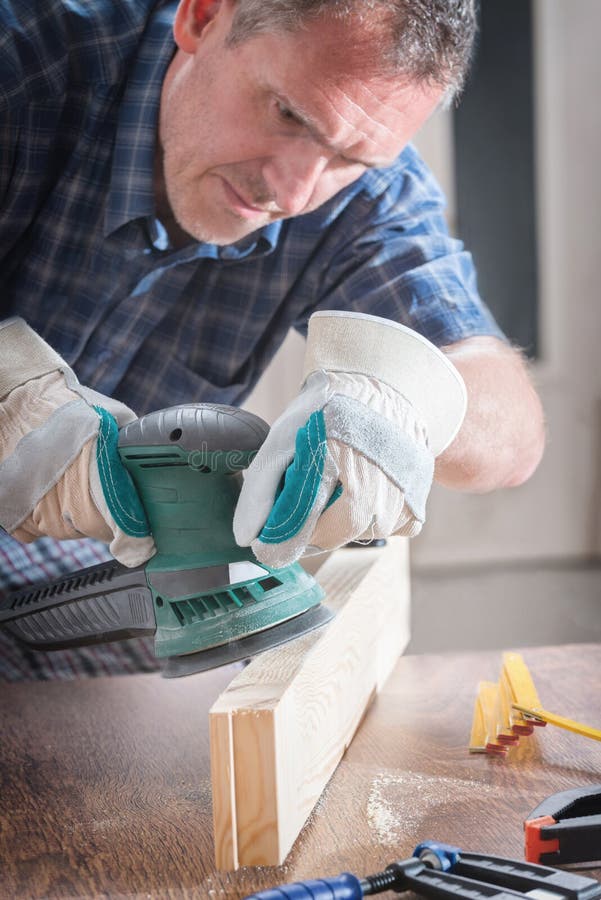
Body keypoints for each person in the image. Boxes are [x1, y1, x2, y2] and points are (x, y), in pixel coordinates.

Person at [0, 0, 545, 680]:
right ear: (202, 18)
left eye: (348, 156)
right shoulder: (24, 56)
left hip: (71, 550)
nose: (292, 192)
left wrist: (397, 402)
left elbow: (511, 433)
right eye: (288, 114)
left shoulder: (365, 196)